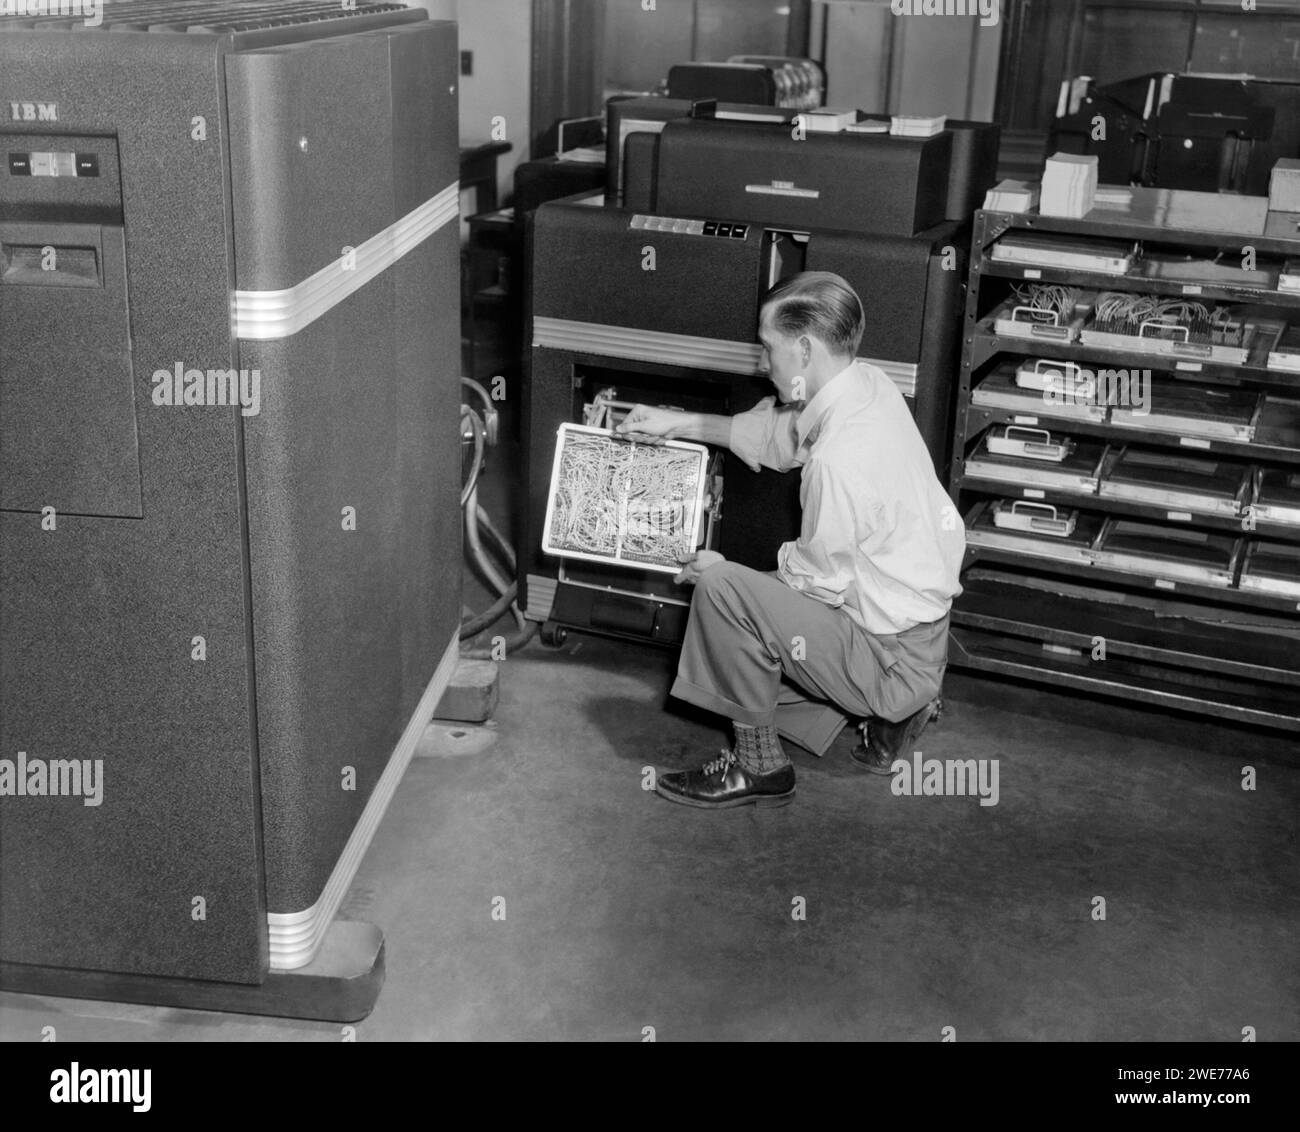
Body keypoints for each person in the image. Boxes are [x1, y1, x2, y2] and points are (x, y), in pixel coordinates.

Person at [615, 271, 964, 809]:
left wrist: (726, 577)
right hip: (916, 635)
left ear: (803, 349)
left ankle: (760, 768)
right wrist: (674, 424)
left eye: (767, 347)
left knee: (724, 596)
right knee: (736, 674)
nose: (762, 363)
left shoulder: (838, 462)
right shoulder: (866, 386)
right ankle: (894, 711)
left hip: (889, 657)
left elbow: (814, 585)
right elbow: (782, 435)